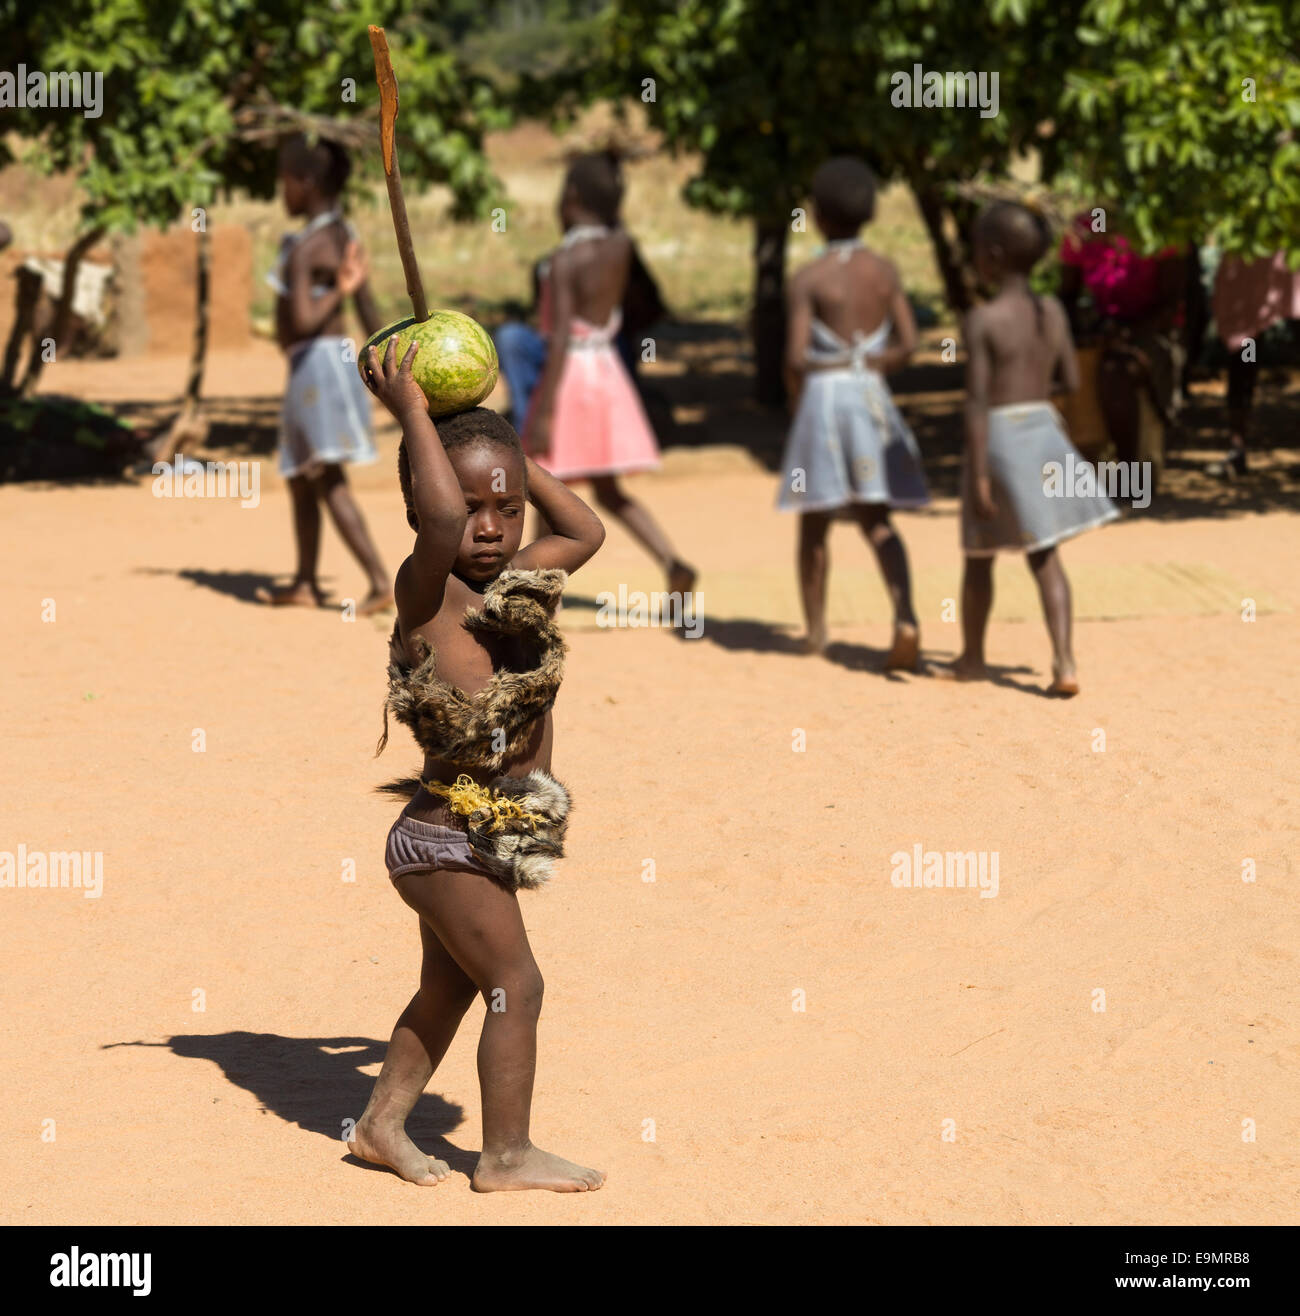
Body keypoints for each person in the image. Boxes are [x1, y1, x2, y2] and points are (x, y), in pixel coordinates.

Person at [350, 333, 607, 1193]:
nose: (490, 529)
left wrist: (506, 459)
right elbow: (438, 520)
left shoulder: (519, 582)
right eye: (470, 511)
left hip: (477, 839)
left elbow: (587, 527)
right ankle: (504, 1156)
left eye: (507, 509)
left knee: (450, 990)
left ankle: (380, 1124)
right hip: (443, 841)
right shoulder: (429, 593)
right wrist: (417, 414)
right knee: (516, 985)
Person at [953, 202, 1118, 696]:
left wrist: (980, 474)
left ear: (995, 256)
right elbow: (1068, 377)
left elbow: (977, 401)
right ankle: (1065, 661)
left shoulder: (982, 319)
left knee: (979, 554)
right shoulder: (1053, 312)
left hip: (998, 438)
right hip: (1043, 430)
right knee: (1045, 556)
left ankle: (973, 658)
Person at [520, 153, 695, 596]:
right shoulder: (621, 246)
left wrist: (542, 413)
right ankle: (672, 560)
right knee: (609, 490)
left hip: (572, 377)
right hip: (607, 371)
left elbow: (559, 339)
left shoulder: (563, 260)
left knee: (546, 489)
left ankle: (537, 596)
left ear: (572, 196)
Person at [777, 157, 928, 667]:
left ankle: (817, 631)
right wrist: (873, 362)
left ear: (817, 215)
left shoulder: (809, 277)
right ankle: (905, 613)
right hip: (869, 396)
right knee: (877, 517)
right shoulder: (883, 271)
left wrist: (799, 396)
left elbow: (796, 357)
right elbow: (909, 343)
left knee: (814, 519)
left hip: (823, 398)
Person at [257, 133, 392, 615]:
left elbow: (309, 318)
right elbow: (369, 306)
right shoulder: (339, 234)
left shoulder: (311, 244)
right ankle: (305, 581)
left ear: (306, 182)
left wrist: (338, 288)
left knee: (325, 474)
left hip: (317, 363)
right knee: (300, 475)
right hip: (315, 364)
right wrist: (386, 355)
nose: (282, 194)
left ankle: (380, 580)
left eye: (285, 183)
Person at [1058, 213, 1185, 484]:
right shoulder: (1082, 229)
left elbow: (1170, 304)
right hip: (1104, 327)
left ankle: (1129, 473)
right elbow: (1067, 294)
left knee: (1118, 370)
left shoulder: (1159, 223)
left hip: (1153, 331)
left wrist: (1127, 334)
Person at [1210, 251, 1300, 477]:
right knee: (1244, 365)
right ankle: (1237, 450)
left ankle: (1237, 449)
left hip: (1288, 283)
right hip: (1249, 306)